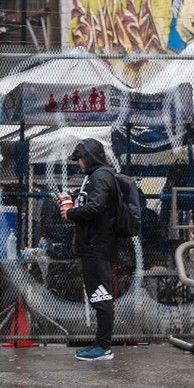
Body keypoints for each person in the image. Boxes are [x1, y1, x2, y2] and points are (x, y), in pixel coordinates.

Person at [60, 138, 118, 361]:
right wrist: (73, 201)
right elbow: (92, 203)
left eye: (80, 158)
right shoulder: (93, 178)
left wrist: (71, 213)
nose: (78, 163)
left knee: (101, 295)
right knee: (98, 295)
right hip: (91, 246)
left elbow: (97, 206)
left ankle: (103, 346)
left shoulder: (101, 176)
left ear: (90, 157)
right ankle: (101, 344)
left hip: (97, 246)